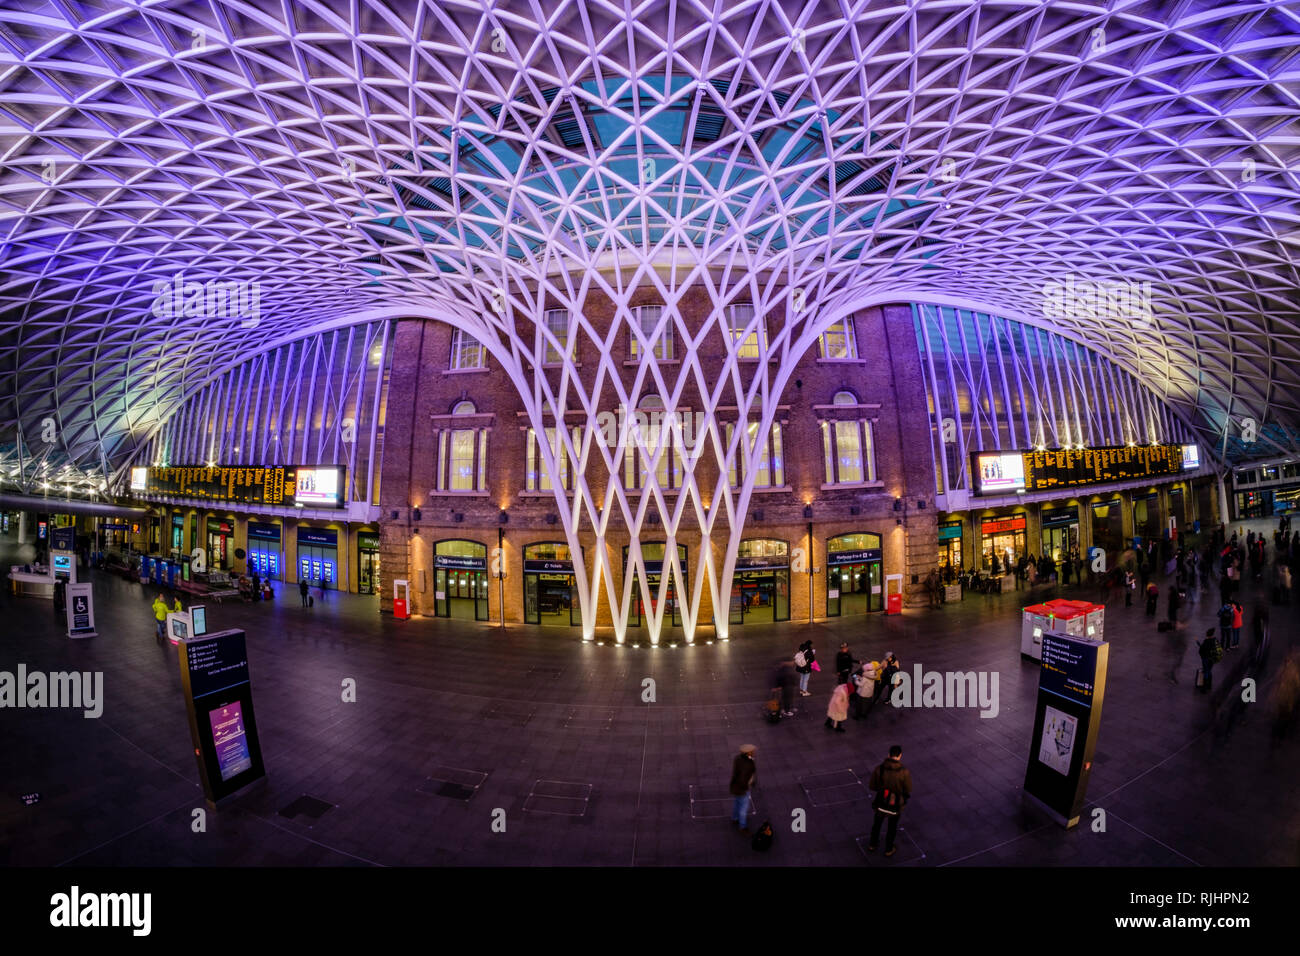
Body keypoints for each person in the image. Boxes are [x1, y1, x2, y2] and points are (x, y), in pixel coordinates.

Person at [868, 745, 913, 856]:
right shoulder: (904, 772)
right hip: (895, 805)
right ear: (900, 756)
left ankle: (872, 844)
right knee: (892, 827)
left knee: (877, 824)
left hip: (881, 802)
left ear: (888, 755)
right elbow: (908, 789)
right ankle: (889, 849)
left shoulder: (880, 769)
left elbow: (872, 786)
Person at [729, 745, 757, 835]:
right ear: (748, 753)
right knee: (743, 809)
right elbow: (744, 778)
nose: (753, 752)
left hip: (735, 787)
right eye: (752, 751)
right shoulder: (748, 764)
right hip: (743, 789)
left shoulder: (737, 758)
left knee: (736, 803)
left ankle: (734, 818)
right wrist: (747, 787)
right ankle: (743, 826)